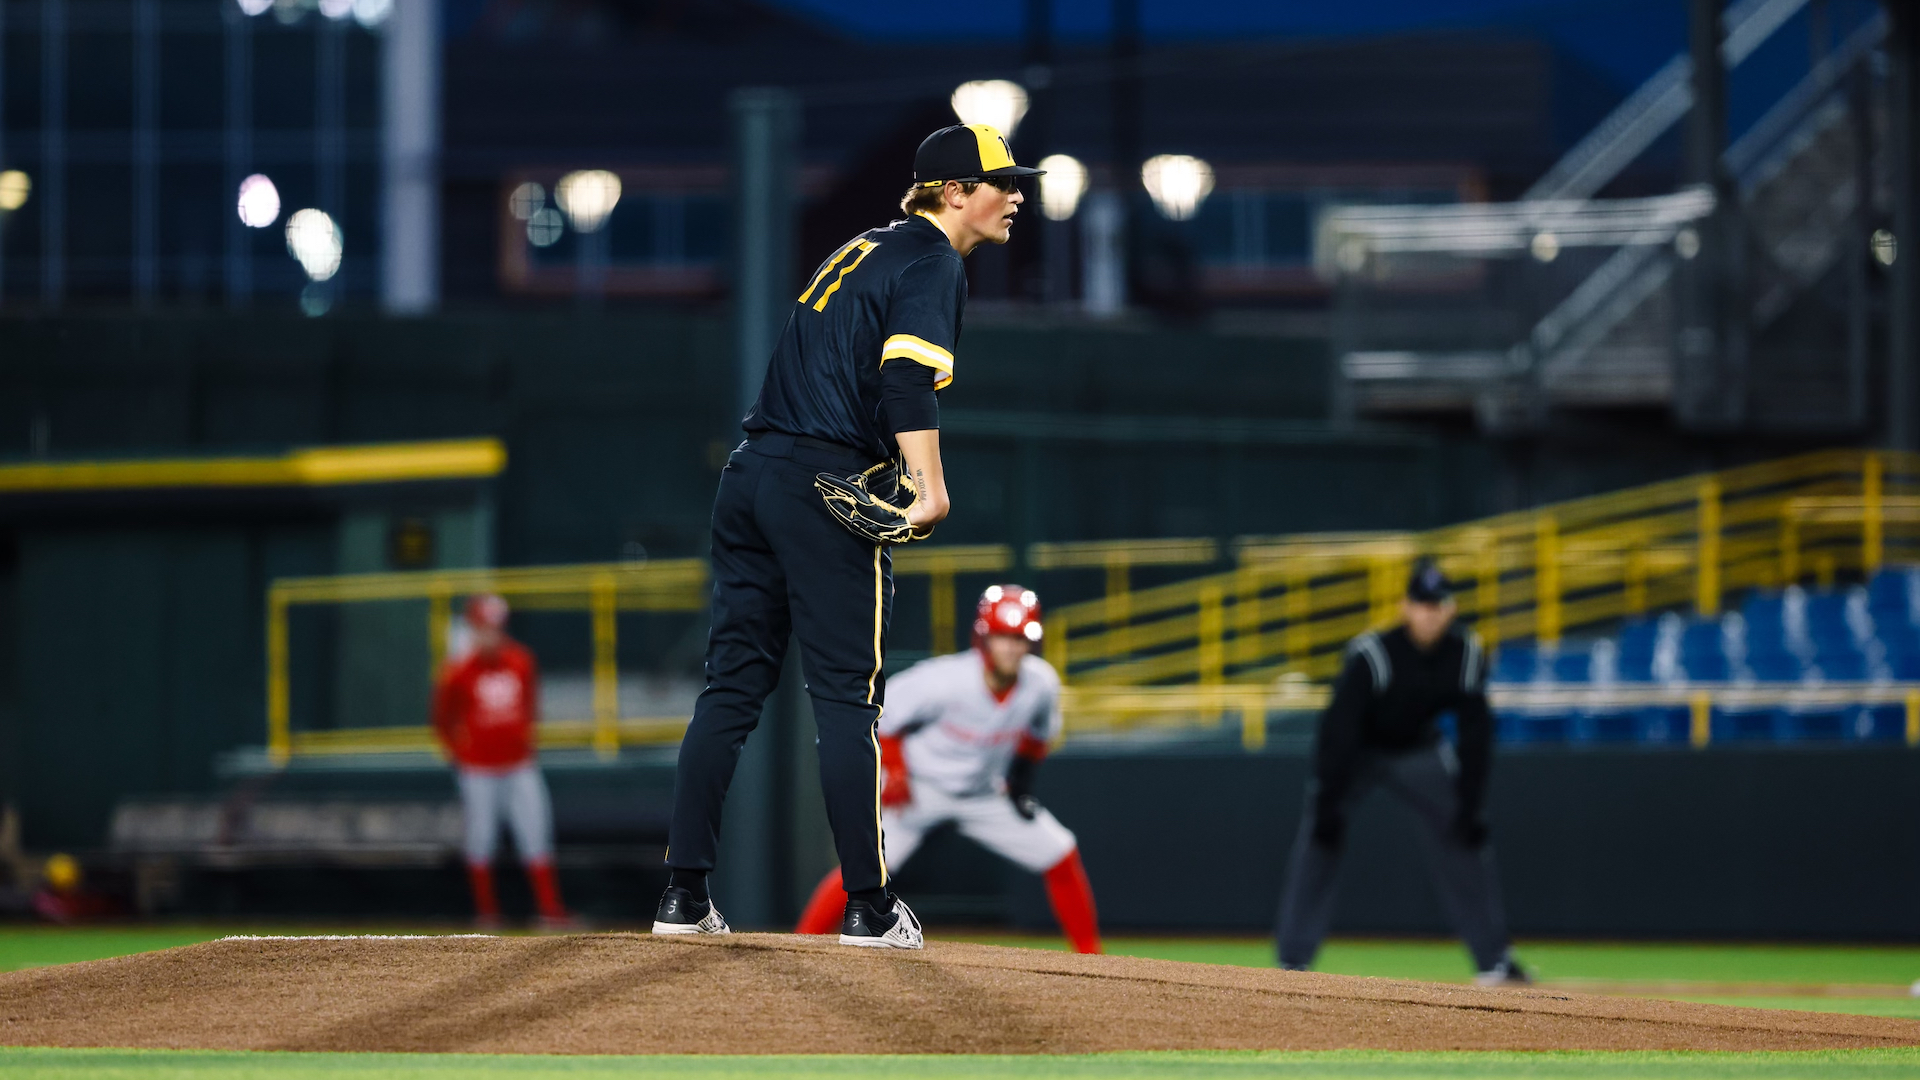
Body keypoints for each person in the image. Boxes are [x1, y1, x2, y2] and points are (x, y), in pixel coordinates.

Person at [653, 125, 1042, 948]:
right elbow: (905, 379)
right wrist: (931, 488)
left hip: (751, 472)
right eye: (999, 182)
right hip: (821, 487)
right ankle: (869, 907)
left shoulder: (868, 245)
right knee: (846, 705)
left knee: (730, 692)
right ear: (950, 191)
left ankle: (682, 897)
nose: (1016, 195)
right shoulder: (935, 260)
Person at [792, 585, 1101, 953]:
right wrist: (895, 769)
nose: (1011, 647)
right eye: (1003, 636)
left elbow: (1037, 739)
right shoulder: (944, 679)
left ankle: (1092, 959)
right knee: (863, 867)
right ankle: (800, 944)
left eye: (1020, 638)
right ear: (983, 637)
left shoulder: (1041, 683)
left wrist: (1021, 786)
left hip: (985, 793)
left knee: (1061, 853)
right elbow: (882, 716)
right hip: (920, 788)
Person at [1274, 559, 1529, 986]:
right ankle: (1291, 962)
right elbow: (1338, 729)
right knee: (1319, 835)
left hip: (1419, 751)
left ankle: (1494, 961)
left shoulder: (1465, 653)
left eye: (1437, 604)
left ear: (1451, 608)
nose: (1429, 612)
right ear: (1405, 606)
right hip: (1360, 752)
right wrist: (1328, 798)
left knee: (1465, 836)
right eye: (1421, 603)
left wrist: (1471, 804)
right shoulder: (1372, 653)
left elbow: (1476, 732)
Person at [432, 594, 570, 929]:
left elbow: (529, 707)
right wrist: (461, 753)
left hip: (519, 763)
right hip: (478, 768)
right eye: (485, 628)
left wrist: (523, 739)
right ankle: (487, 913)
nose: (492, 634)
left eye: (495, 627)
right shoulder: (457, 671)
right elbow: (440, 721)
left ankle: (550, 911)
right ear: (473, 629)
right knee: (481, 838)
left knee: (536, 833)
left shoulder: (521, 660)